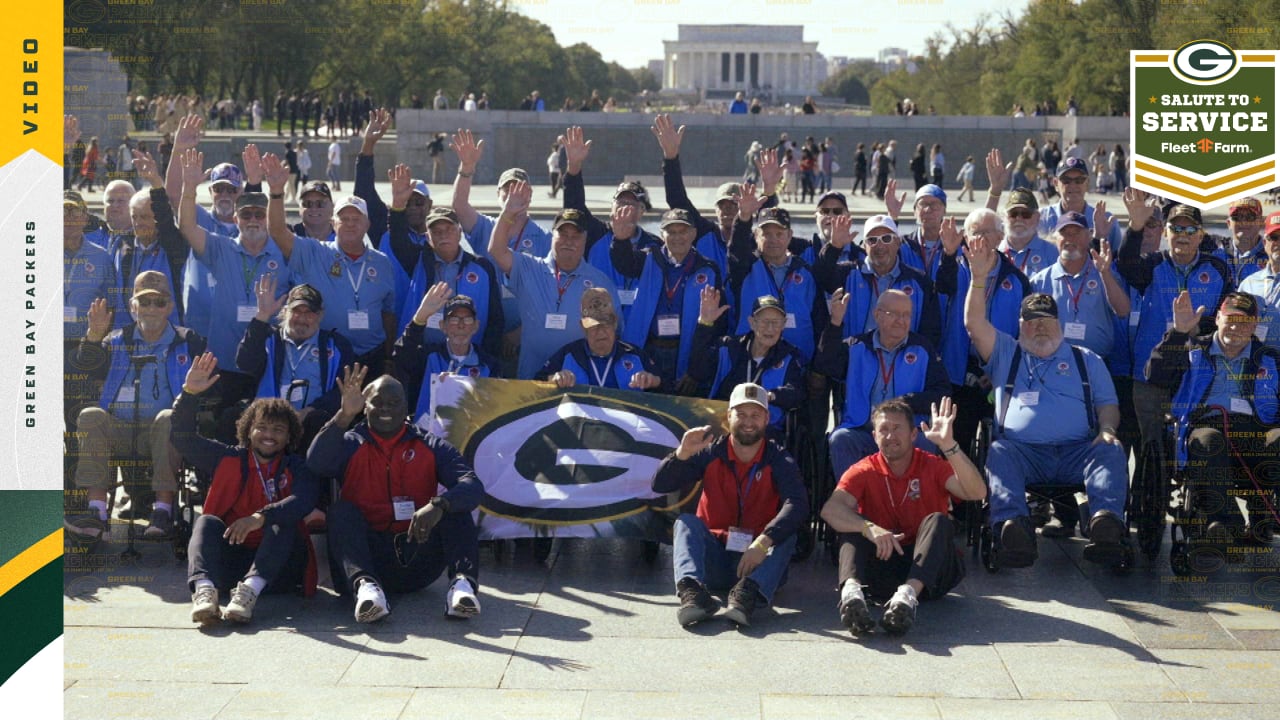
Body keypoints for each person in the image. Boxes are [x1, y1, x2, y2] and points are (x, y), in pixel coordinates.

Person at [965, 230, 1130, 569]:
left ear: (1060, 323)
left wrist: (1109, 428)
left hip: (1079, 451)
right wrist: (978, 279)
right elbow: (974, 324)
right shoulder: (1005, 353)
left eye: (1046, 321)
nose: (1039, 328)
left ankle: (1106, 524)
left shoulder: (1087, 359)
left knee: (1111, 448)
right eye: (1031, 321)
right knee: (998, 451)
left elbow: (1107, 405)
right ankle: (1013, 527)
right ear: (1020, 325)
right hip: (1023, 453)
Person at [307, 365, 485, 623]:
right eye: (377, 403)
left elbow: (473, 485)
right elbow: (316, 463)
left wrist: (439, 504)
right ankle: (367, 590)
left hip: (419, 554)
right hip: (369, 559)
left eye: (394, 402)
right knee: (340, 512)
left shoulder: (430, 444)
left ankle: (462, 587)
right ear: (364, 408)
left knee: (455, 506)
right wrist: (344, 415)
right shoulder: (350, 442)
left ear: (406, 406)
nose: (386, 409)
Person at [173, 352, 318, 624]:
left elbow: (304, 500)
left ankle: (249, 593)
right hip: (232, 562)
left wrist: (260, 517)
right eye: (261, 428)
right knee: (205, 522)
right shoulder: (228, 458)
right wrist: (189, 394)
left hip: (278, 567)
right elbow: (182, 439)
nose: (269, 435)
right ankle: (205, 592)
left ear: (289, 436)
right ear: (248, 430)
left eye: (277, 430)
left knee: (282, 523)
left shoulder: (297, 466)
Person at [821, 397, 985, 635]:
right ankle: (852, 595)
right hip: (885, 560)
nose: (890, 436)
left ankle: (907, 598)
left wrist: (950, 446)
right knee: (852, 525)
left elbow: (977, 492)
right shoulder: (864, 469)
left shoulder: (932, 464)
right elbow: (830, 510)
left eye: (897, 428)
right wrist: (869, 528)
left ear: (913, 434)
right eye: (883, 430)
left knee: (939, 521)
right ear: (874, 437)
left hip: (931, 570)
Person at [653, 383, 809, 627]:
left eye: (755, 415)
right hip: (715, 558)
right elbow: (660, 485)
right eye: (741, 414)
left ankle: (747, 597)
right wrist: (682, 453)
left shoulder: (779, 458)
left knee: (787, 535)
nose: (748, 422)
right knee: (685, 523)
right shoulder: (709, 452)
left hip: (756, 562)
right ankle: (693, 594)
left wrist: (764, 541)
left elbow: (798, 504)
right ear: (728, 417)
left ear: (766, 419)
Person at [66, 272, 203, 541]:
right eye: (145, 302)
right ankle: (96, 513)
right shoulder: (115, 339)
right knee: (90, 416)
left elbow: (209, 386)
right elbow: (84, 368)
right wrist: (93, 337)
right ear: (132, 307)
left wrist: (195, 390)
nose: (152, 308)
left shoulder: (189, 341)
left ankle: (162, 511)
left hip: (163, 433)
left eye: (159, 302)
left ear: (170, 307)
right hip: (119, 430)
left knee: (169, 417)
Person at [1147, 291, 1280, 554]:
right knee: (1209, 442)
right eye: (1230, 318)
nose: (1235, 326)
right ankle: (1223, 522)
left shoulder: (1271, 358)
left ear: (1255, 325)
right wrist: (1178, 332)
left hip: (1257, 429)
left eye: (1244, 321)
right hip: (1206, 424)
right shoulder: (1194, 348)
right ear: (1218, 318)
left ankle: (1263, 515)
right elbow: (1155, 375)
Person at [1116, 191, 1233, 455]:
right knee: (1152, 450)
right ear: (1166, 233)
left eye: (1191, 229)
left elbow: (1225, 321)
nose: (1183, 234)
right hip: (1151, 374)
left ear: (1201, 236)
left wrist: (1196, 329)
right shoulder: (1153, 264)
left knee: (1194, 447)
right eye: (1176, 227)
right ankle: (1151, 497)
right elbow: (1126, 263)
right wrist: (1135, 226)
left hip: (1196, 375)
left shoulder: (1217, 269)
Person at [175, 148, 290, 416]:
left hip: (269, 362)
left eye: (259, 215)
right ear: (236, 219)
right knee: (226, 426)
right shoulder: (220, 248)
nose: (253, 220)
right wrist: (189, 187)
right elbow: (187, 227)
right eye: (246, 215)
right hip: (224, 361)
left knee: (268, 426)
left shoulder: (284, 250)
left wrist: (276, 190)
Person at [263, 155, 399, 374]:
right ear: (333, 223)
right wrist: (277, 192)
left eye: (356, 219)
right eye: (344, 219)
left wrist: (388, 356)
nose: (350, 224)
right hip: (328, 354)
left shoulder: (381, 262)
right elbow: (278, 232)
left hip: (372, 355)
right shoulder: (316, 252)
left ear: (368, 224)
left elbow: (388, 313)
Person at [488, 181, 619, 379]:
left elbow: (614, 332)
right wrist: (507, 215)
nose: (568, 241)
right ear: (552, 236)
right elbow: (496, 251)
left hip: (579, 382)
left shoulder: (599, 282)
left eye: (576, 236)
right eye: (563, 234)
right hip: (531, 380)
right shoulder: (530, 267)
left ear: (585, 240)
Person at [817, 287, 950, 475]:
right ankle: (850, 500)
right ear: (877, 315)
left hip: (907, 433)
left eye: (906, 315)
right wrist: (835, 323)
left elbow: (942, 392)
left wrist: (906, 403)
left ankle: (916, 501)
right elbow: (825, 365)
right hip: (863, 430)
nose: (901, 321)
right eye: (894, 314)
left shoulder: (922, 348)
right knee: (840, 439)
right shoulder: (857, 346)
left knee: (926, 440)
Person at [384, 170, 503, 356]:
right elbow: (398, 238)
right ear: (428, 238)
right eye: (436, 231)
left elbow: (496, 319)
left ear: (459, 233)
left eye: (449, 229)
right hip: (423, 357)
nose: (443, 235)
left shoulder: (482, 267)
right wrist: (398, 204)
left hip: (470, 359)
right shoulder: (418, 260)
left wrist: (487, 359)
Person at [609, 208, 723, 388]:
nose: (677, 237)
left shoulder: (707, 268)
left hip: (685, 351)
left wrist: (696, 369)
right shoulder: (649, 258)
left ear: (693, 233)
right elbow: (624, 264)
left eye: (683, 231)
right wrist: (620, 240)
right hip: (650, 348)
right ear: (662, 234)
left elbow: (715, 323)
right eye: (671, 232)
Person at [235, 279, 353, 446]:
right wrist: (262, 315)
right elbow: (245, 363)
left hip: (311, 420)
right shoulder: (266, 337)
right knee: (231, 417)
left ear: (320, 315)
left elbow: (342, 392)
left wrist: (310, 411)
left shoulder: (337, 345)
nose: (302, 319)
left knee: (319, 422)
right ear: (285, 312)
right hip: (268, 417)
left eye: (309, 313)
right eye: (296, 311)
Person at [687, 291, 806, 433]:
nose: (770, 328)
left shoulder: (789, 356)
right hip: (723, 425)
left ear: (784, 325)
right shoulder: (728, 348)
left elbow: (797, 393)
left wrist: (769, 395)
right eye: (764, 322)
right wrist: (705, 324)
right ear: (752, 323)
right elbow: (697, 371)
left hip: (765, 431)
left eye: (776, 323)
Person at [393, 287, 501, 425]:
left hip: (468, 439)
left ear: (476, 326)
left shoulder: (490, 365)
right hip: (424, 439)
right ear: (443, 326)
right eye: (454, 320)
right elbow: (401, 356)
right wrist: (419, 319)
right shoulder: (427, 356)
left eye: (467, 320)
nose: (461, 325)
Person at [537, 288, 663, 391]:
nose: (601, 332)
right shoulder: (569, 354)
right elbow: (536, 383)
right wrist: (554, 379)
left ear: (615, 323)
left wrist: (653, 381)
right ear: (583, 327)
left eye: (606, 324)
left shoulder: (634, 354)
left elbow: (667, 389)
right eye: (594, 327)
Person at [1237, 212, 1280, 350]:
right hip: (1253, 364)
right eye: (1274, 237)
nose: (1279, 243)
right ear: (1264, 243)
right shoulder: (1248, 284)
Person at [997, 189, 1059, 279]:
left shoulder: (1053, 253)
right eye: (1013, 214)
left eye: (1026, 214)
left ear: (1037, 217)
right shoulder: (995, 252)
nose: (1019, 218)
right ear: (1005, 217)